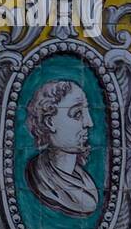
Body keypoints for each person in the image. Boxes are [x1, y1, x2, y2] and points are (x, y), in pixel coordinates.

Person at [24, 79, 98, 218]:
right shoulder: (40, 177)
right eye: (77, 114)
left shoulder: (85, 181)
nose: (89, 123)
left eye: (87, 112)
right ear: (49, 122)